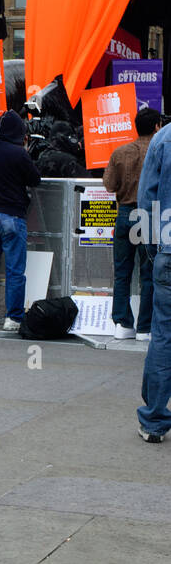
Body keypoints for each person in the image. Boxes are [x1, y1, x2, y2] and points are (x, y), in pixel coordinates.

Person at [0, 109, 41, 330]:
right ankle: (12, 318)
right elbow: (35, 179)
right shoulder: (18, 153)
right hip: (12, 216)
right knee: (14, 270)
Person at [104, 107, 161, 340]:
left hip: (125, 214)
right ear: (157, 126)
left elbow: (109, 185)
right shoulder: (160, 150)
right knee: (148, 273)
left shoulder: (119, 152)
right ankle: (145, 327)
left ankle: (122, 324)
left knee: (122, 273)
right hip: (149, 214)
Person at [136, 118, 171, 442]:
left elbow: (146, 200)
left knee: (164, 335)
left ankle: (154, 421)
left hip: (168, 247)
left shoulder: (163, 139)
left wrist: (152, 248)